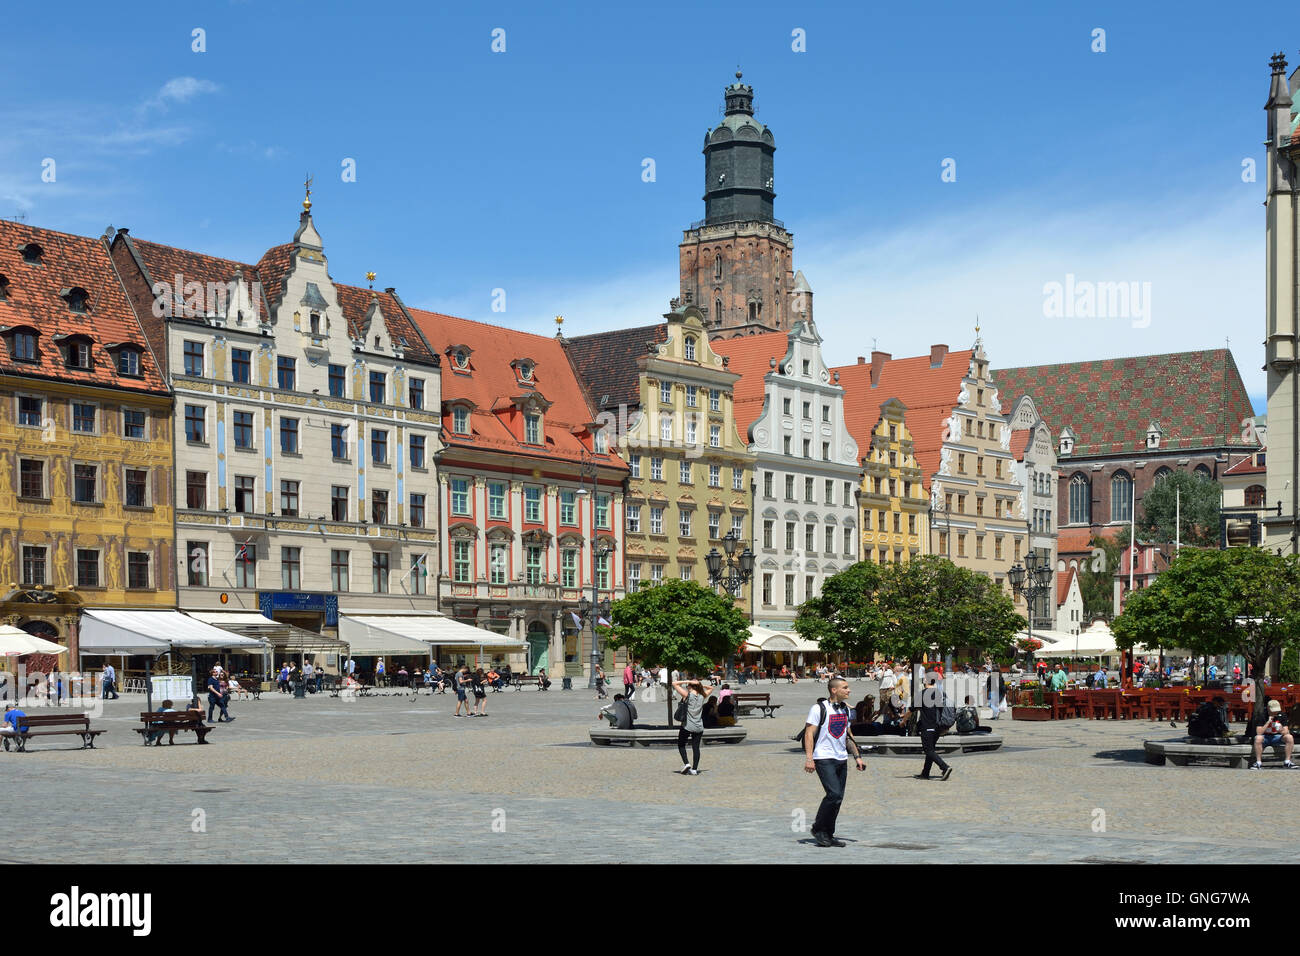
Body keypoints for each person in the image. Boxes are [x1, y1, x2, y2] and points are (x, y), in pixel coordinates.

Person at [802, 676, 866, 848]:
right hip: (823, 757)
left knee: (838, 798)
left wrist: (857, 756)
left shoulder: (845, 710)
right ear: (834, 690)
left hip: (841, 758)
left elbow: (848, 735)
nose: (849, 690)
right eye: (845, 687)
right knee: (834, 794)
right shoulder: (818, 708)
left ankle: (828, 834)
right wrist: (809, 758)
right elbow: (809, 734)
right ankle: (818, 828)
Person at [672, 679, 713, 775]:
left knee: (681, 745)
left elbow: (674, 683)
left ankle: (686, 763)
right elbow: (711, 688)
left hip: (687, 725)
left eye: (688, 685)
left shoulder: (687, 695)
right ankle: (694, 769)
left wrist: (687, 680)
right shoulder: (702, 695)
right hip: (699, 726)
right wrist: (699, 684)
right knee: (696, 748)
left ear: (691, 686)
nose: (687, 687)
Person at [915, 678, 953, 781]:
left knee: (928, 750)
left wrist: (904, 720)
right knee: (930, 750)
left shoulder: (922, 693)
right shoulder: (939, 693)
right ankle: (925, 773)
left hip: (927, 726)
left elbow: (912, 709)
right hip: (937, 727)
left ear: (927, 681)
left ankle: (944, 767)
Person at [1251, 700, 1296, 770]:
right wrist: (1268, 722)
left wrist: (1281, 729)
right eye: (1273, 710)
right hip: (1265, 737)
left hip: (1277, 737)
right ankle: (1258, 762)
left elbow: (1286, 732)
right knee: (1258, 738)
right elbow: (1259, 732)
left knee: (1289, 737)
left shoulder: (1282, 715)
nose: (1275, 712)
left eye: (1276, 710)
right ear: (1268, 708)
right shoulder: (1262, 715)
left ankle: (1287, 762)